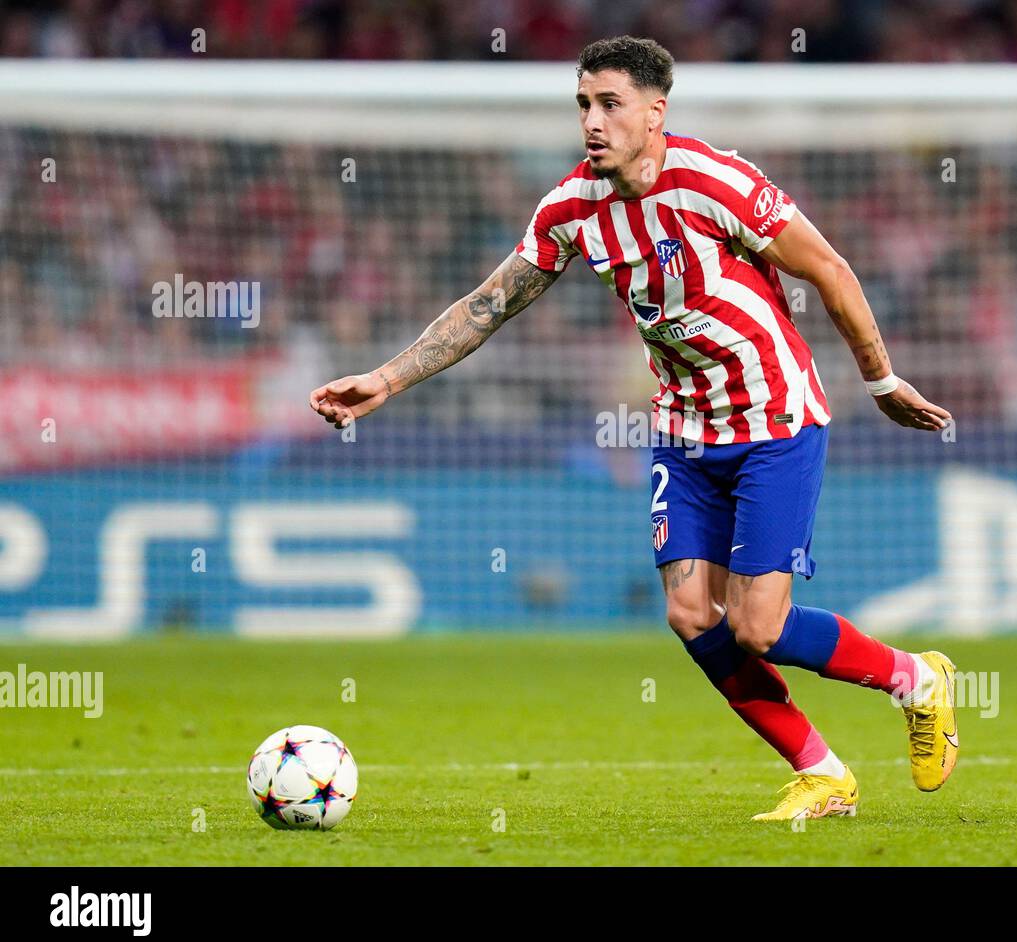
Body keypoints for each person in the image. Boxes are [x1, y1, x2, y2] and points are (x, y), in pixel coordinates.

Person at [310, 35, 958, 821]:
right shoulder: (570, 208)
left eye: (610, 103)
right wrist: (384, 377)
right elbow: (487, 307)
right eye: (583, 104)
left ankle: (914, 680)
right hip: (684, 432)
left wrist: (880, 379)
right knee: (690, 614)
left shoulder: (718, 180)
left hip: (774, 418)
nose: (592, 120)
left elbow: (828, 268)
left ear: (656, 112)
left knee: (758, 627)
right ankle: (823, 773)